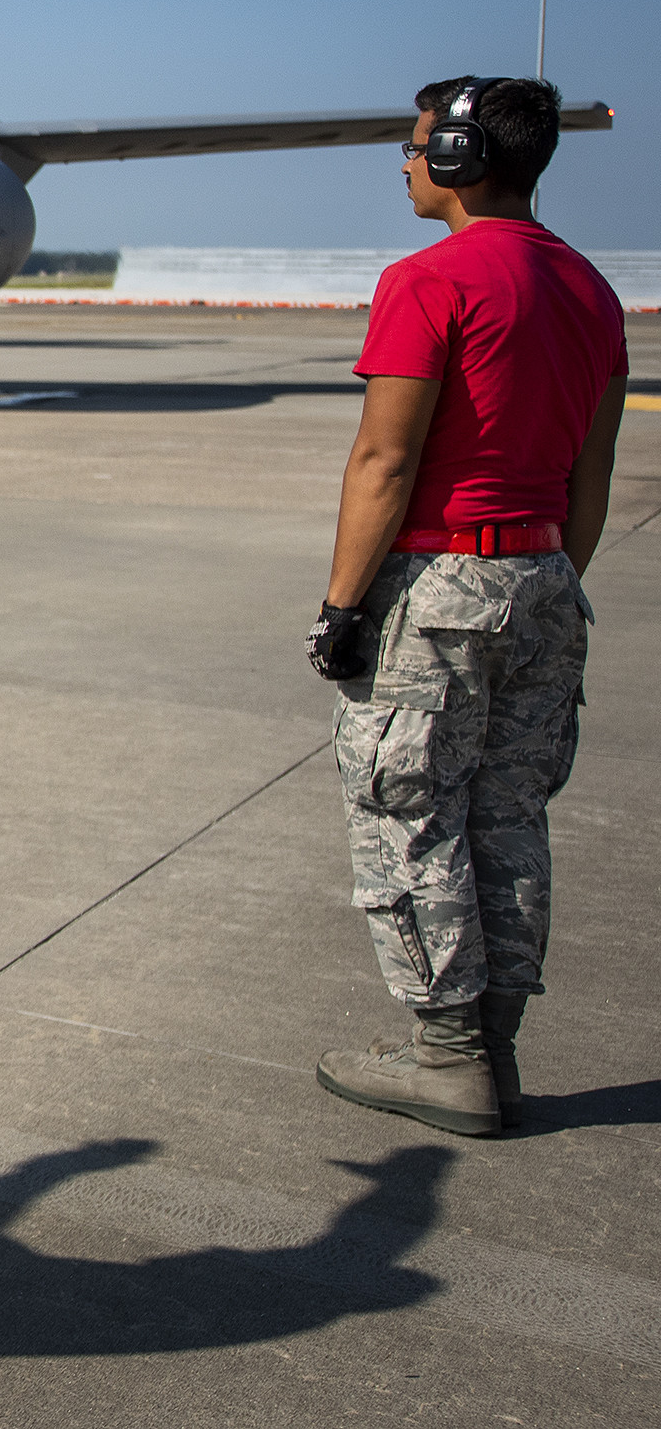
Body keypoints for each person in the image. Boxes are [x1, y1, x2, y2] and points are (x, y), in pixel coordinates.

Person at [305, 74, 628, 1137]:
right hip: (544, 579)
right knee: (507, 818)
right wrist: (547, 582)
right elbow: (590, 476)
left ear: (457, 157)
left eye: (412, 148)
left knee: (409, 815)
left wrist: (344, 605)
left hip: (439, 583)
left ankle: (443, 1054)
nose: (402, 165)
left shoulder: (429, 279)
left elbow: (385, 459)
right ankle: (493, 1050)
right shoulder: (589, 288)